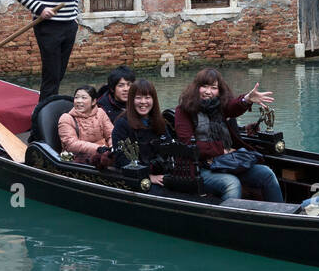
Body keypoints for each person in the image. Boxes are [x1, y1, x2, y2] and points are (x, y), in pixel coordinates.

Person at [174, 68, 283, 202]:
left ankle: (280, 214)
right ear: (196, 88)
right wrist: (221, 150)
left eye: (213, 88)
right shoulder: (183, 111)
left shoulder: (220, 106)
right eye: (204, 86)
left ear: (219, 91)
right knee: (232, 183)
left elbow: (233, 106)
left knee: (267, 174)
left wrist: (247, 99)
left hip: (226, 163)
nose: (208, 92)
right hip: (199, 167)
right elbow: (187, 144)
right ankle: (228, 222)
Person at [111, 78, 168, 185]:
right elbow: (123, 159)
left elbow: (168, 148)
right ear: (131, 100)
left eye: (147, 98)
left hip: (160, 173)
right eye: (138, 98)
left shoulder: (159, 122)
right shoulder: (122, 124)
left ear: (153, 100)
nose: (143, 102)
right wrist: (148, 176)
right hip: (134, 179)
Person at [57, 86, 114, 168]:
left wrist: (112, 146)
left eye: (84, 98)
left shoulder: (100, 113)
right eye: (76, 98)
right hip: (79, 159)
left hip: (105, 154)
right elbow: (71, 144)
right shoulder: (67, 118)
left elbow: (111, 133)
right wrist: (98, 149)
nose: (79, 101)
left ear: (93, 101)